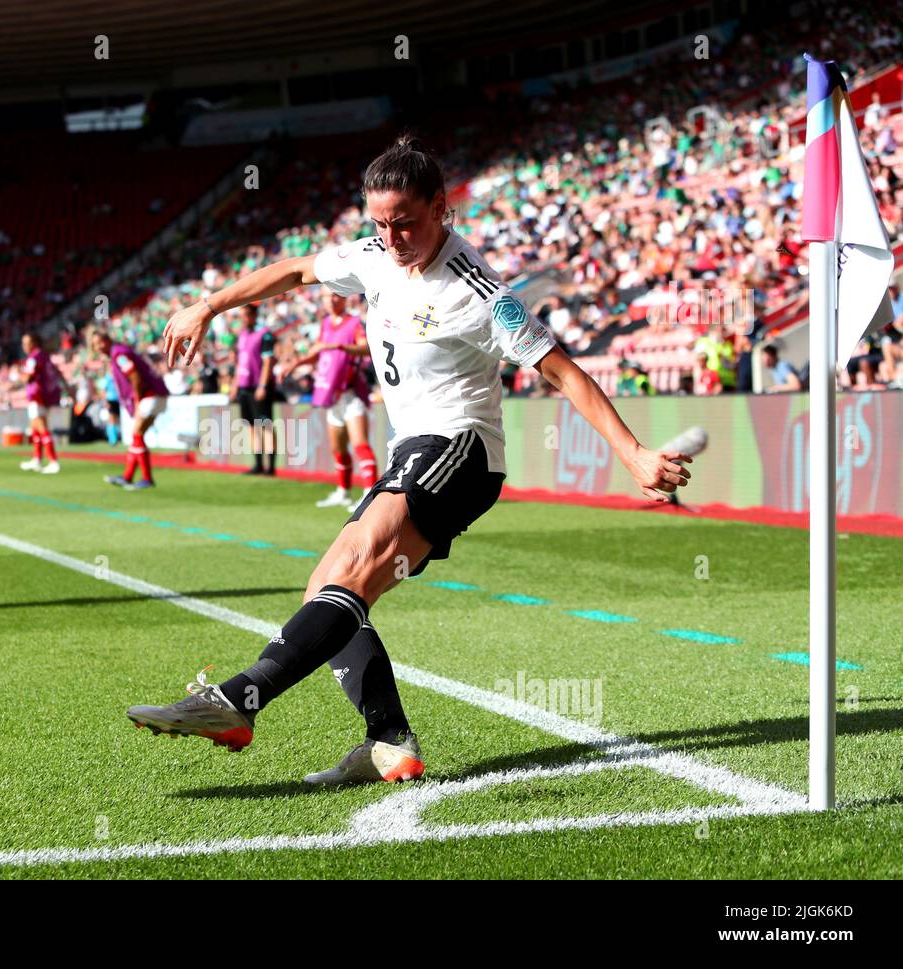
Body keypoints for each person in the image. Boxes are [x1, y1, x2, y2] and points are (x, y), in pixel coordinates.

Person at [126, 136, 691, 785]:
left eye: (406, 222)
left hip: (461, 448)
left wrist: (634, 453)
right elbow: (298, 269)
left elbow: (563, 373)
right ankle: (388, 739)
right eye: (380, 223)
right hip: (414, 450)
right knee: (329, 588)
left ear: (441, 209)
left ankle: (236, 700)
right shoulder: (372, 257)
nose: (392, 237)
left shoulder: (478, 292)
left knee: (358, 563)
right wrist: (209, 303)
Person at [285, 292, 376, 510]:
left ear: (343, 299)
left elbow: (366, 348)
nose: (331, 300)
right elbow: (318, 351)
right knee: (338, 447)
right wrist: (296, 364)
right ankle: (343, 492)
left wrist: (339, 347)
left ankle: (369, 494)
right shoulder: (325, 323)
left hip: (351, 392)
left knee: (360, 444)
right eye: (327, 297)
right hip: (332, 394)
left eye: (335, 296)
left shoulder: (354, 323)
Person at [90, 328, 169, 490]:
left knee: (137, 435)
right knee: (137, 437)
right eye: (94, 346)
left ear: (106, 341)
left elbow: (135, 376)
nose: (97, 348)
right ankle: (128, 477)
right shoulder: (120, 352)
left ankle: (147, 478)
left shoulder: (119, 354)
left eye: (98, 344)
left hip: (149, 395)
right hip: (157, 394)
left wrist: (138, 400)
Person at [229, 303, 277, 475]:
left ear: (254, 315)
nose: (243, 318)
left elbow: (268, 361)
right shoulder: (242, 335)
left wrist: (263, 385)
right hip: (244, 386)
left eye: (246, 314)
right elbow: (239, 362)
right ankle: (258, 464)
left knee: (265, 425)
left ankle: (270, 467)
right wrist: (235, 385)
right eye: (240, 315)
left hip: (259, 386)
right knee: (250, 426)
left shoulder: (264, 334)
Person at [15, 332, 67, 474]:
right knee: (35, 429)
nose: (24, 346)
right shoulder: (44, 356)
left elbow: (28, 378)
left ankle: (53, 461)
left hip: (37, 395)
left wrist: (17, 373)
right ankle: (37, 459)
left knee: (41, 428)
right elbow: (57, 372)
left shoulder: (34, 357)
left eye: (26, 343)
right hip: (45, 395)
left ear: (34, 343)